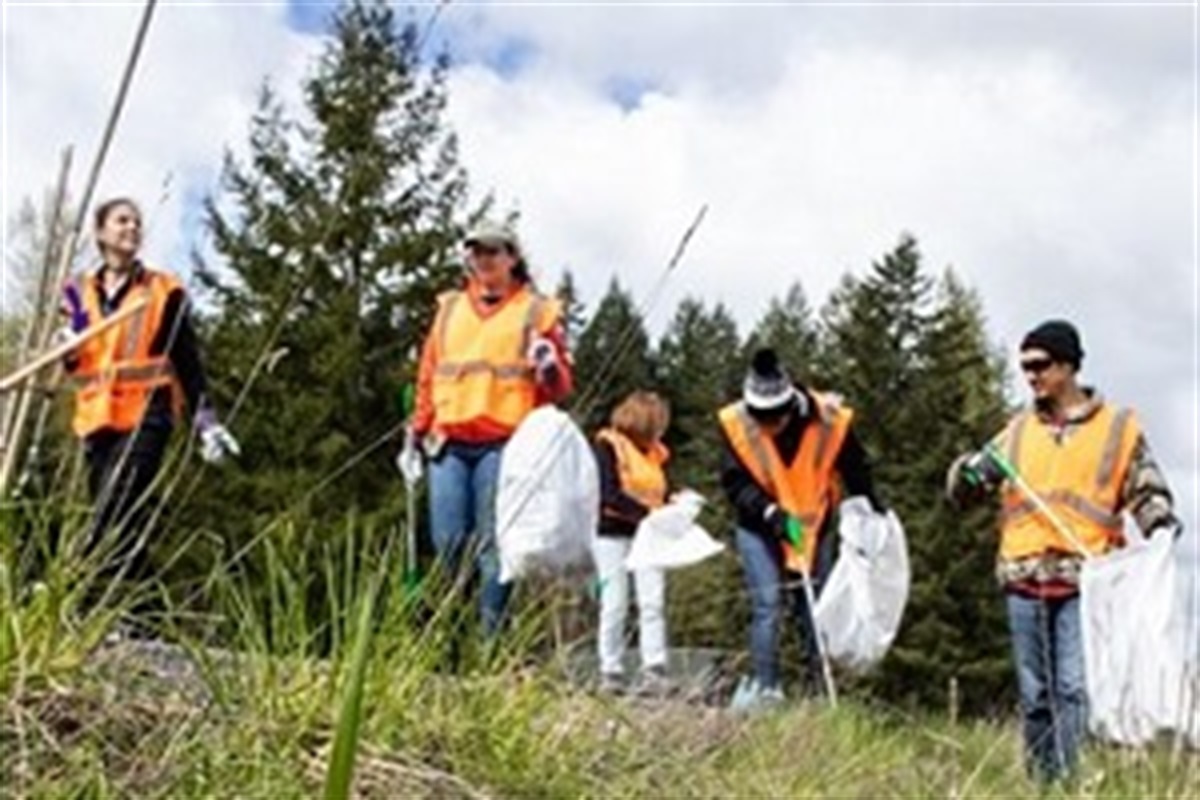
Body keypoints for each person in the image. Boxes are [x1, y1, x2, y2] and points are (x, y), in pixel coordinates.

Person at [946, 319, 1180, 783]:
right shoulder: (1016, 432)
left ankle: (1069, 781)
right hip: (1023, 575)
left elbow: (1149, 492)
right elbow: (965, 485)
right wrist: (967, 475)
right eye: (1025, 367)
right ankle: (1040, 782)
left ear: (1069, 366)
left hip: (1084, 579)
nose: (1031, 376)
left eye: (1041, 365)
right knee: (1035, 693)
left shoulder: (1116, 429)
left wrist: (1159, 531)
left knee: (1073, 688)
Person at [60, 197, 239, 597]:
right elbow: (76, 364)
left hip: (146, 414)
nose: (132, 228)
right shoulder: (77, 294)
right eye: (122, 221)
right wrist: (69, 347)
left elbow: (187, 360)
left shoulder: (162, 290)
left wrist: (206, 422)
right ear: (102, 233)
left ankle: (77, 592)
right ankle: (146, 613)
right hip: (96, 420)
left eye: (136, 222)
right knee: (122, 522)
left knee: (115, 503)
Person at [409, 221, 573, 637]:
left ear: (512, 259)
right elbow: (430, 374)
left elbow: (558, 390)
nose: (484, 260)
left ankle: (490, 642)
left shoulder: (536, 312)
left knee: (495, 548)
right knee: (448, 545)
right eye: (477, 252)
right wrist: (415, 430)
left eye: (493, 252)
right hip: (448, 444)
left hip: (505, 444)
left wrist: (548, 365)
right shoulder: (449, 310)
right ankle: (446, 639)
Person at [718, 348, 884, 711]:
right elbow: (734, 483)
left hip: (812, 527)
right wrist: (768, 512)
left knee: (815, 607)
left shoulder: (829, 420)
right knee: (768, 604)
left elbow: (856, 467)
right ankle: (767, 690)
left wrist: (872, 507)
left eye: (772, 417)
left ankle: (820, 690)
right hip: (760, 527)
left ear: (790, 406)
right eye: (759, 417)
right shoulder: (737, 423)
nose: (766, 425)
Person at [593, 390, 672, 695]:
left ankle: (655, 668)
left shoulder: (655, 454)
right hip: (612, 533)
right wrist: (649, 514)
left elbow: (660, 493)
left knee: (653, 601)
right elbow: (608, 494)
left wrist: (672, 506)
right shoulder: (607, 446)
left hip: (648, 534)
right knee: (615, 602)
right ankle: (610, 669)